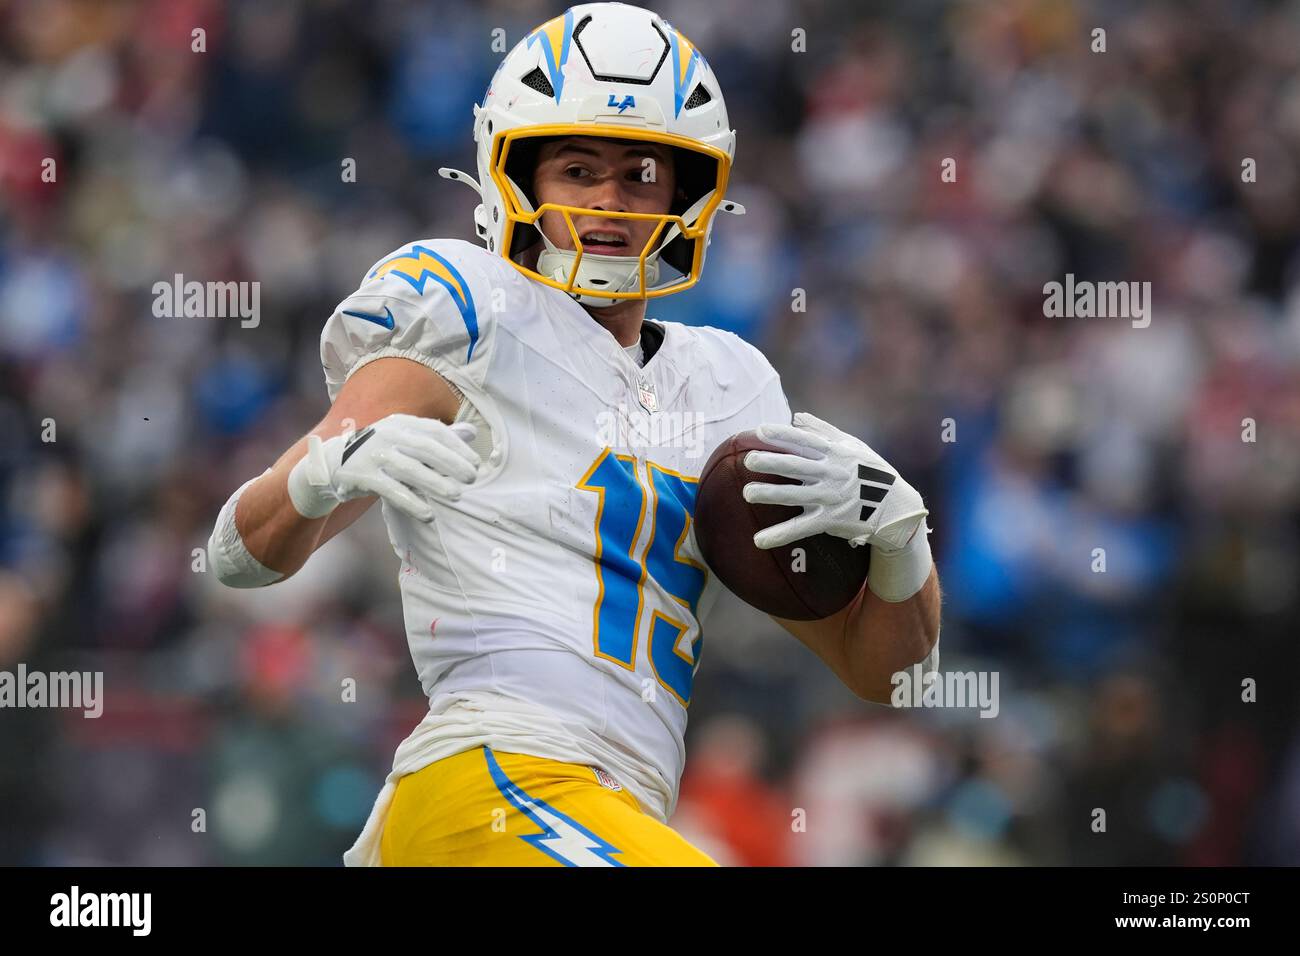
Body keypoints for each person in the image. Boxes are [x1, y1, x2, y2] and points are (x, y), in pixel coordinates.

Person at [206, 1, 940, 867]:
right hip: (488, 781)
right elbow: (238, 554)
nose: (608, 202)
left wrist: (901, 540)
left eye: (640, 175)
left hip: (608, 814)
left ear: (686, 194)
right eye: (578, 170)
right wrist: (320, 476)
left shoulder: (731, 388)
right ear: (515, 177)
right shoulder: (466, 308)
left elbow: (886, 673)